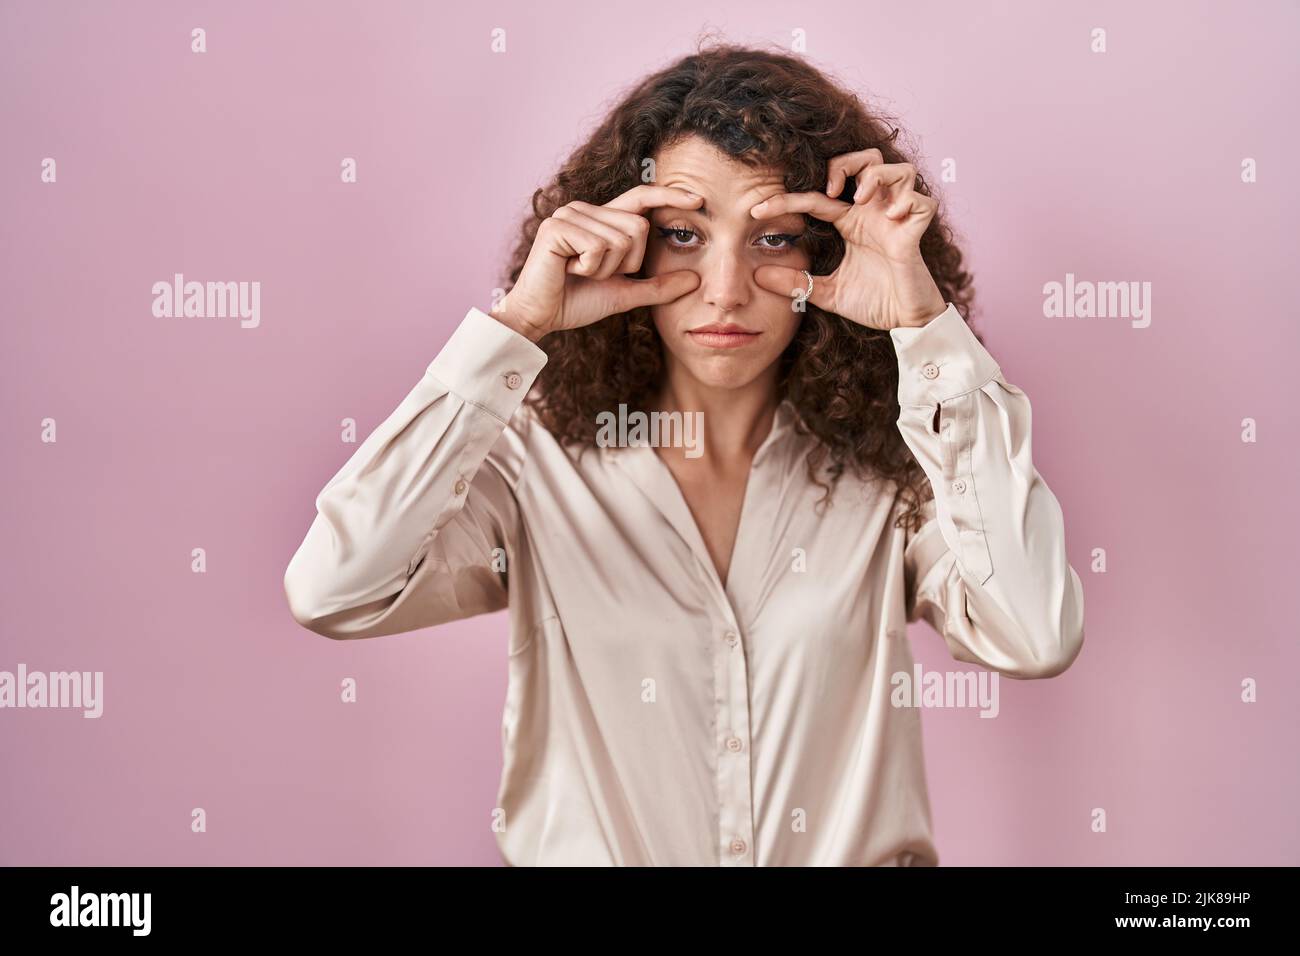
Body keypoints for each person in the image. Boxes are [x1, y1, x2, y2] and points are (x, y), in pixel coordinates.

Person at [282, 42, 1085, 866]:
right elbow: (335, 589)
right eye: (683, 234)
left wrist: (922, 324)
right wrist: (518, 327)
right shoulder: (531, 468)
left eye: (773, 238)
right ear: (626, 239)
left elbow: (1033, 634)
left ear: (826, 253)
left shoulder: (893, 474)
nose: (726, 287)